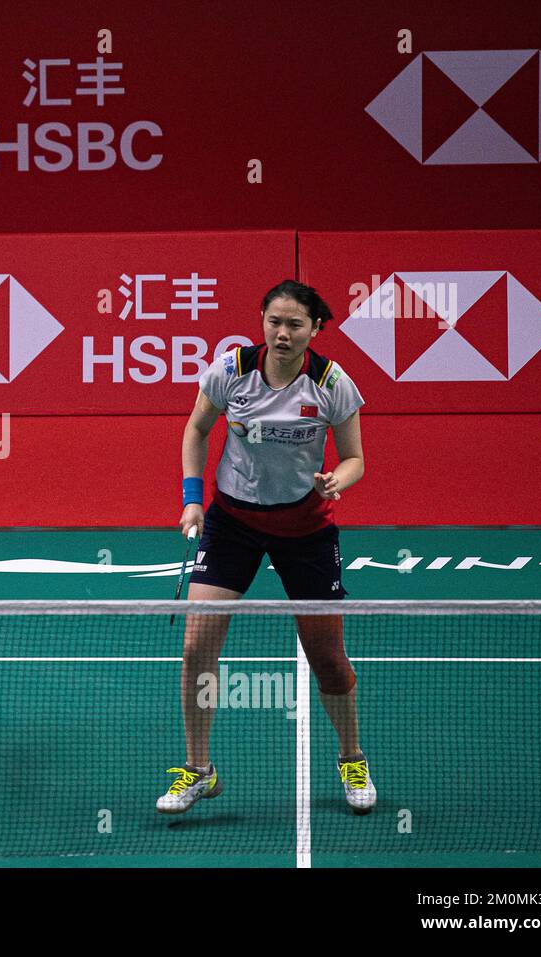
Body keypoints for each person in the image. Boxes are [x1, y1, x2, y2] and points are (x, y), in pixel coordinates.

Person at [158, 280, 376, 816]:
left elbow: (356, 459)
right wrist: (192, 500)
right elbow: (195, 430)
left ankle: (352, 756)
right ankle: (199, 770)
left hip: (305, 528)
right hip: (233, 521)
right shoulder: (231, 370)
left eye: (294, 325)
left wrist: (337, 481)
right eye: (274, 322)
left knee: (326, 657)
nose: (282, 333)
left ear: (315, 329)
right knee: (195, 647)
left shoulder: (331, 383)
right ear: (262, 321)